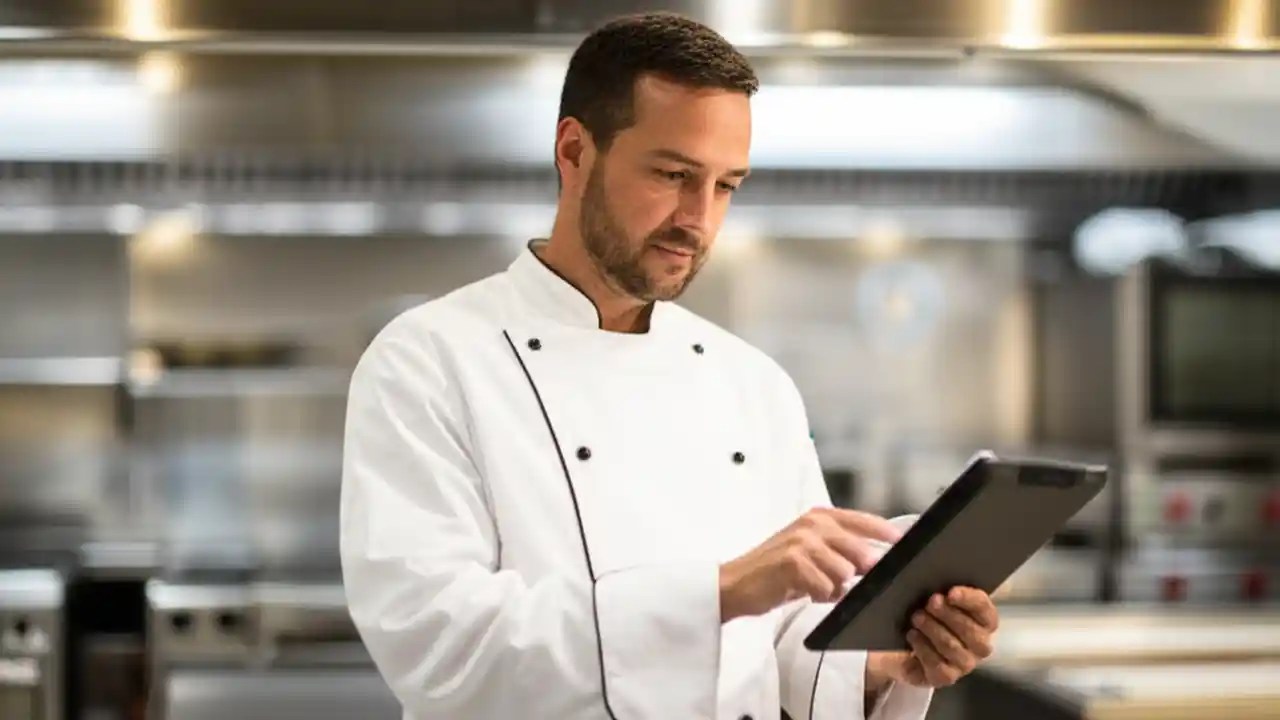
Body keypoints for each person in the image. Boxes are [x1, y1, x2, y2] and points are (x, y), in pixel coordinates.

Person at [340, 12, 998, 720]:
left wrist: (877, 667)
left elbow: (780, 647)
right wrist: (720, 590)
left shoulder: (752, 383)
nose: (700, 219)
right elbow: (441, 648)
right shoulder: (430, 361)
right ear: (574, 153)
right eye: (673, 174)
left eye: (725, 186)